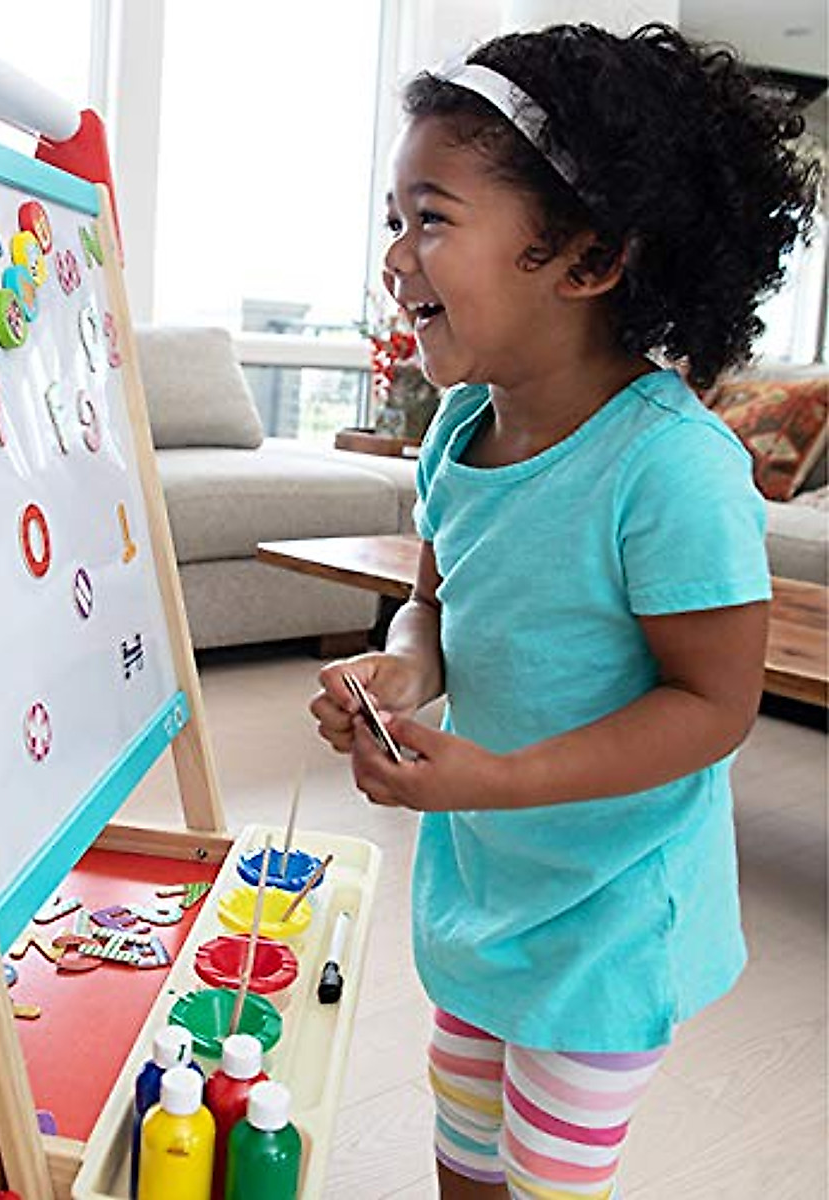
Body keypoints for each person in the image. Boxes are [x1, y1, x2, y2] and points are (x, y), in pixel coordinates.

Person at [310, 23, 820, 1200]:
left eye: (431, 218)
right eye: (394, 219)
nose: (395, 258)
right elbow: (433, 606)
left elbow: (714, 706)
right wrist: (404, 669)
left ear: (585, 259)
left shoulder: (671, 469)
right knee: (465, 1134)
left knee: (551, 1172)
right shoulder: (457, 430)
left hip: (612, 915)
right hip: (489, 888)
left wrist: (496, 777)